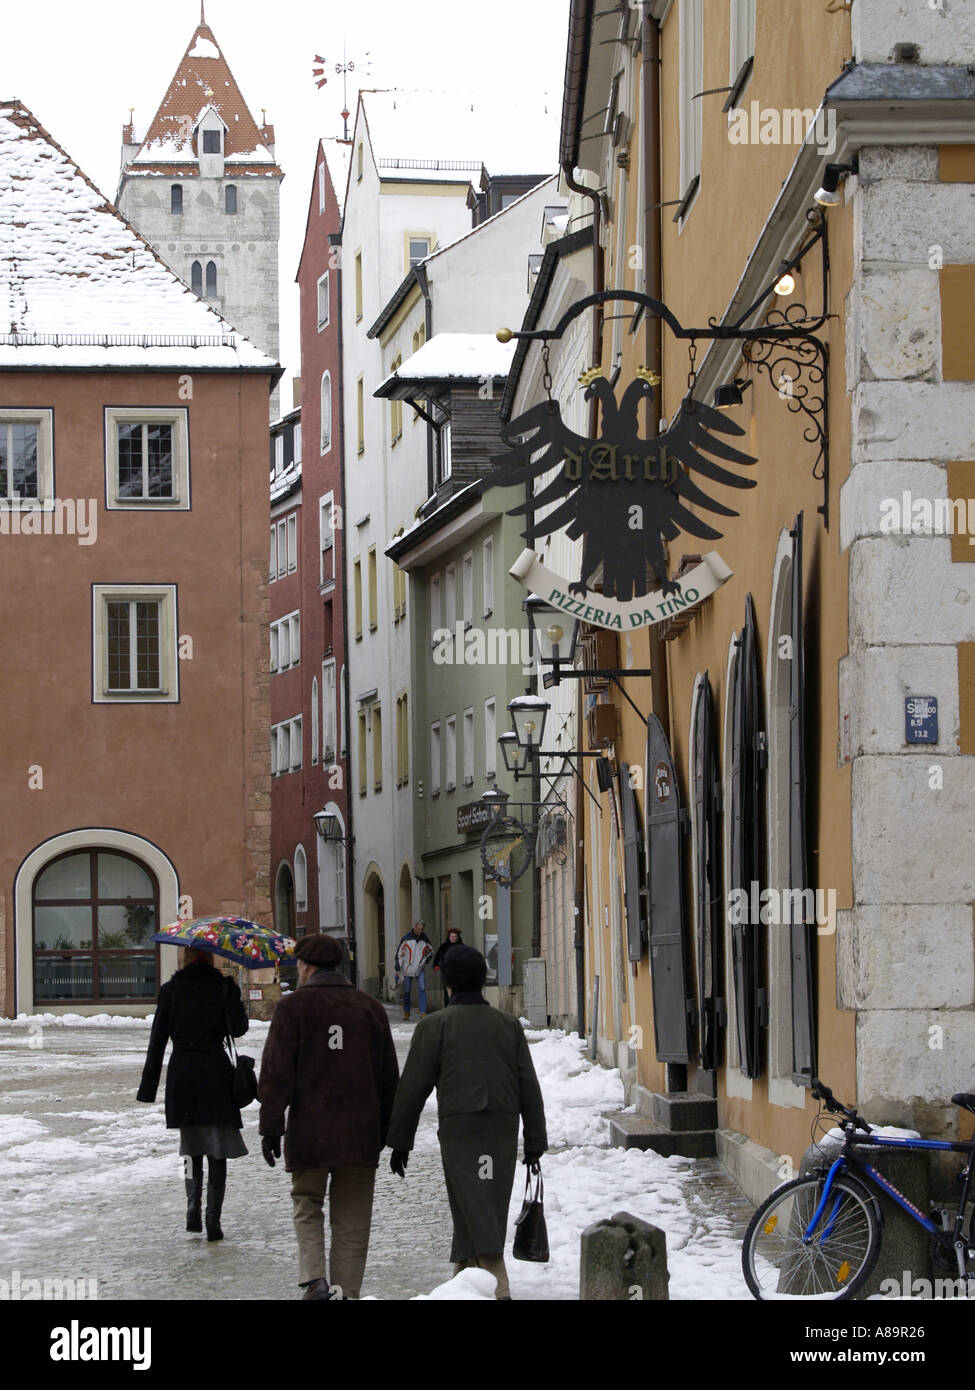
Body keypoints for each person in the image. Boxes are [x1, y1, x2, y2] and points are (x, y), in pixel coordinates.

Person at [385, 944, 547, 1300]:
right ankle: (466, 1279)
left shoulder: (434, 1026)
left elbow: (412, 1088)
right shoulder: (507, 1025)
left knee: (472, 1200)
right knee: (482, 1199)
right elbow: (527, 1084)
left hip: (460, 1125)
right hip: (503, 1124)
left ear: (448, 984)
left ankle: (496, 1283)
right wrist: (535, 1139)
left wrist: (400, 1140)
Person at [258, 933, 399, 1300]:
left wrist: (271, 1127)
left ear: (305, 966)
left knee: (307, 1202)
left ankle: (314, 1279)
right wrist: (388, 1133)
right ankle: (344, 1293)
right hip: (360, 1132)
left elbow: (276, 1075)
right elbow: (389, 1079)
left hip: (311, 1130)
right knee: (352, 1220)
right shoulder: (369, 1008)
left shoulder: (293, 1008)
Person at [136, 946, 248, 1242]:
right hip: (214, 1072)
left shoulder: (171, 990)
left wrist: (148, 1088)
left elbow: (157, 1038)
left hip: (183, 1073)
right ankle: (213, 1218)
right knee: (217, 1150)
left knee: (191, 1145)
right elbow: (239, 1029)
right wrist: (232, 996)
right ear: (211, 958)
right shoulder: (223, 988)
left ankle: (192, 1209)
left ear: (185, 959)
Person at [395, 920, 433, 1020]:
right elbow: (399, 953)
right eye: (419, 928)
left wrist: (427, 959)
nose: (420, 931)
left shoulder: (425, 939)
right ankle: (406, 1012)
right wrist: (398, 968)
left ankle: (423, 1012)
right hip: (408, 969)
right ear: (414, 928)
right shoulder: (406, 938)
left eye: (422, 929)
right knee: (407, 991)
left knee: (422, 988)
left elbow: (430, 950)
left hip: (419, 968)